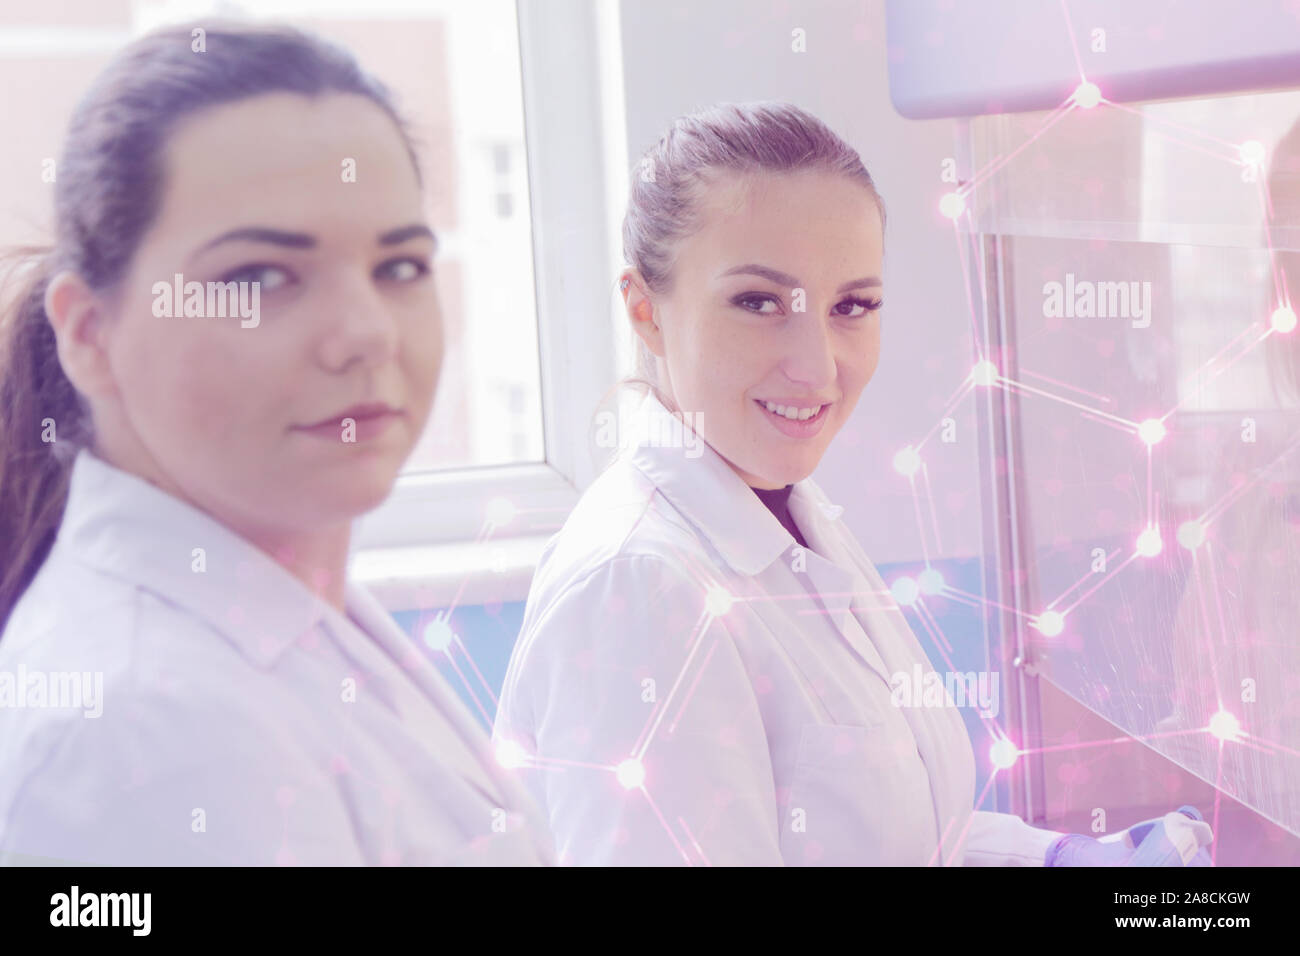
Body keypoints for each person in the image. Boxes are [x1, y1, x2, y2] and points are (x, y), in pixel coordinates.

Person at [492, 101, 1212, 866]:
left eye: (852, 307)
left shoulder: (796, 516)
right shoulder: (638, 587)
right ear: (646, 312)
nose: (817, 364)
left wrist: (1058, 860)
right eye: (760, 303)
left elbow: (903, 837)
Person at [0, 21, 550, 866]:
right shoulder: (145, 738)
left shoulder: (284, 607)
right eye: (258, 278)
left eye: (398, 266)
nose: (366, 334)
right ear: (88, 333)